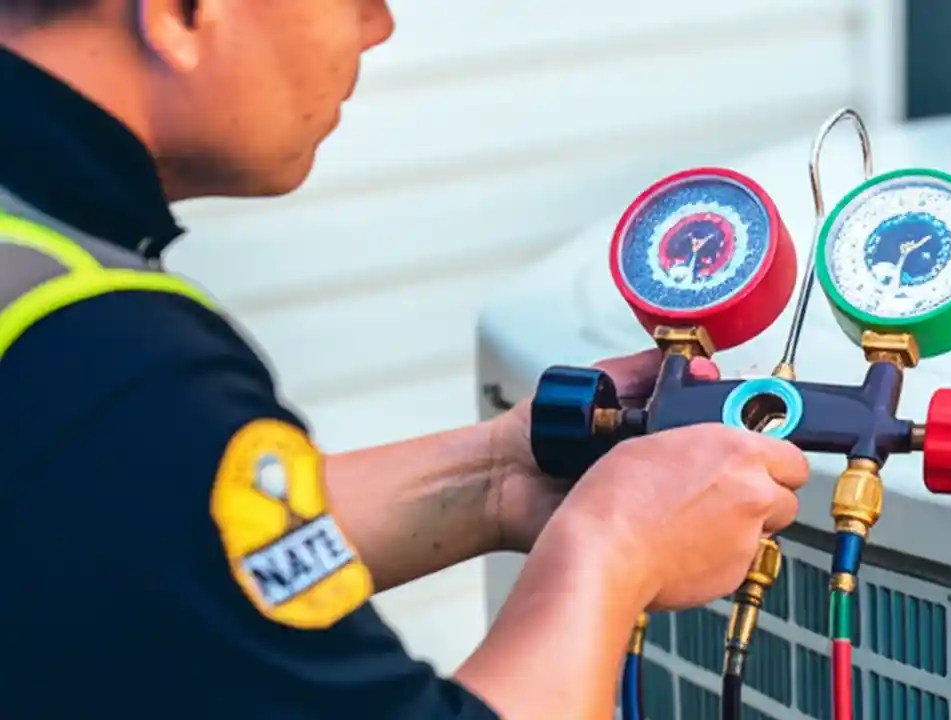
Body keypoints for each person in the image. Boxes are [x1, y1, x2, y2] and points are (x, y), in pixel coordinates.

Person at [0, 1, 811, 718]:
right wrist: (613, 548)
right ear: (182, 11)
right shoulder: (110, 360)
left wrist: (493, 478)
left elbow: (126, 525)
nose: (377, 27)